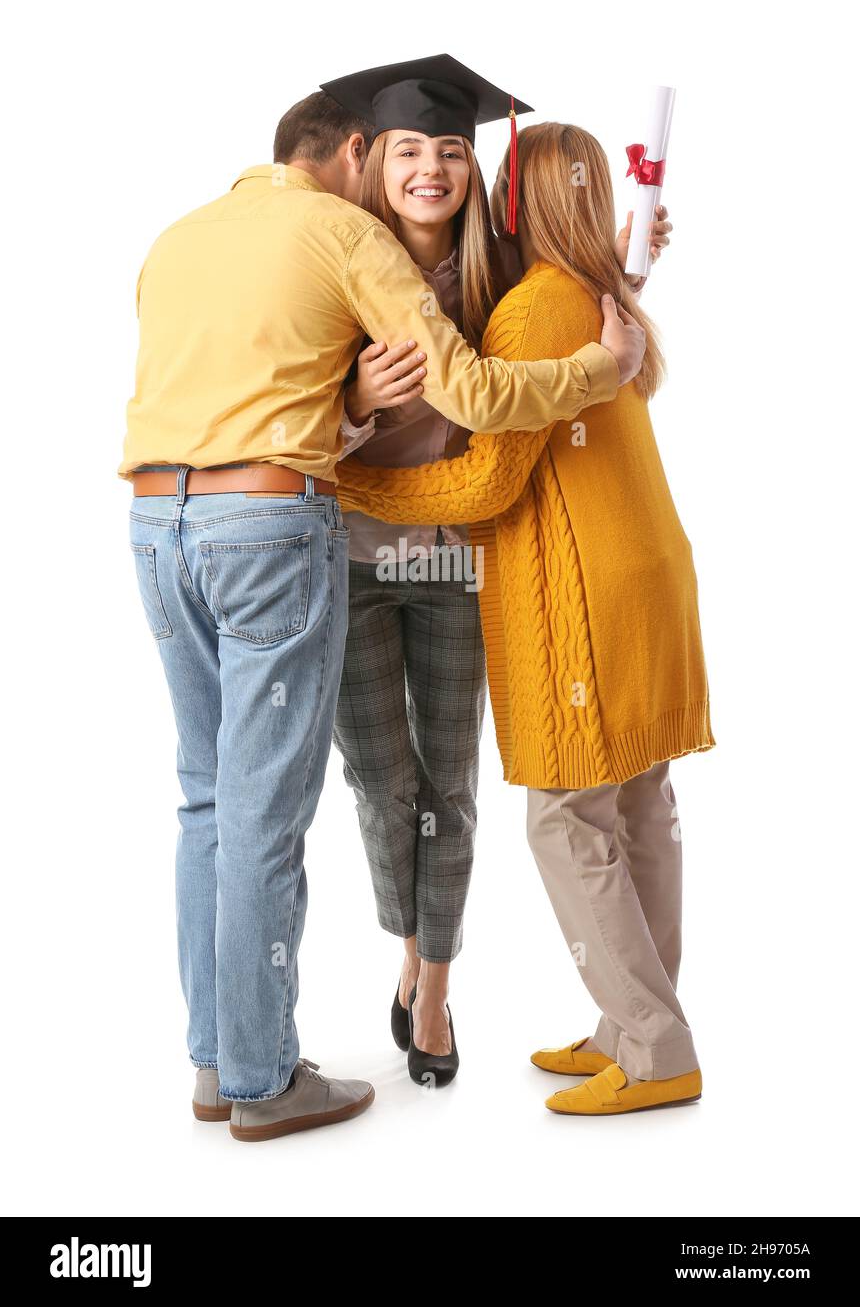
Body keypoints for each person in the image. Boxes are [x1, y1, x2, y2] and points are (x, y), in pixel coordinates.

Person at [119, 77, 647, 1140]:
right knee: (318, 796)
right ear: (360, 155)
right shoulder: (336, 237)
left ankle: (295, 1035)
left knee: (270, 797)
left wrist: (626, 259)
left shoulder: (193, 236)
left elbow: (238, 376)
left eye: (452, 153)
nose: (427, 172)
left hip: (209, 528)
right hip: (299, 537)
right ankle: (262, 1073)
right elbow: (449, 397)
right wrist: (592, 372)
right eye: (406, 150)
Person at [335, 119, 714, 1116]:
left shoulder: (529, 314)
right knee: (638, 811)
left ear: (512, 202)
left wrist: (349, 481)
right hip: (650, 576)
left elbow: (483, 486)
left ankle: (653, 1048)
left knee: (564, 815)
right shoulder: (602, 292)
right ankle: (631, 1023)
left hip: (579, 590)